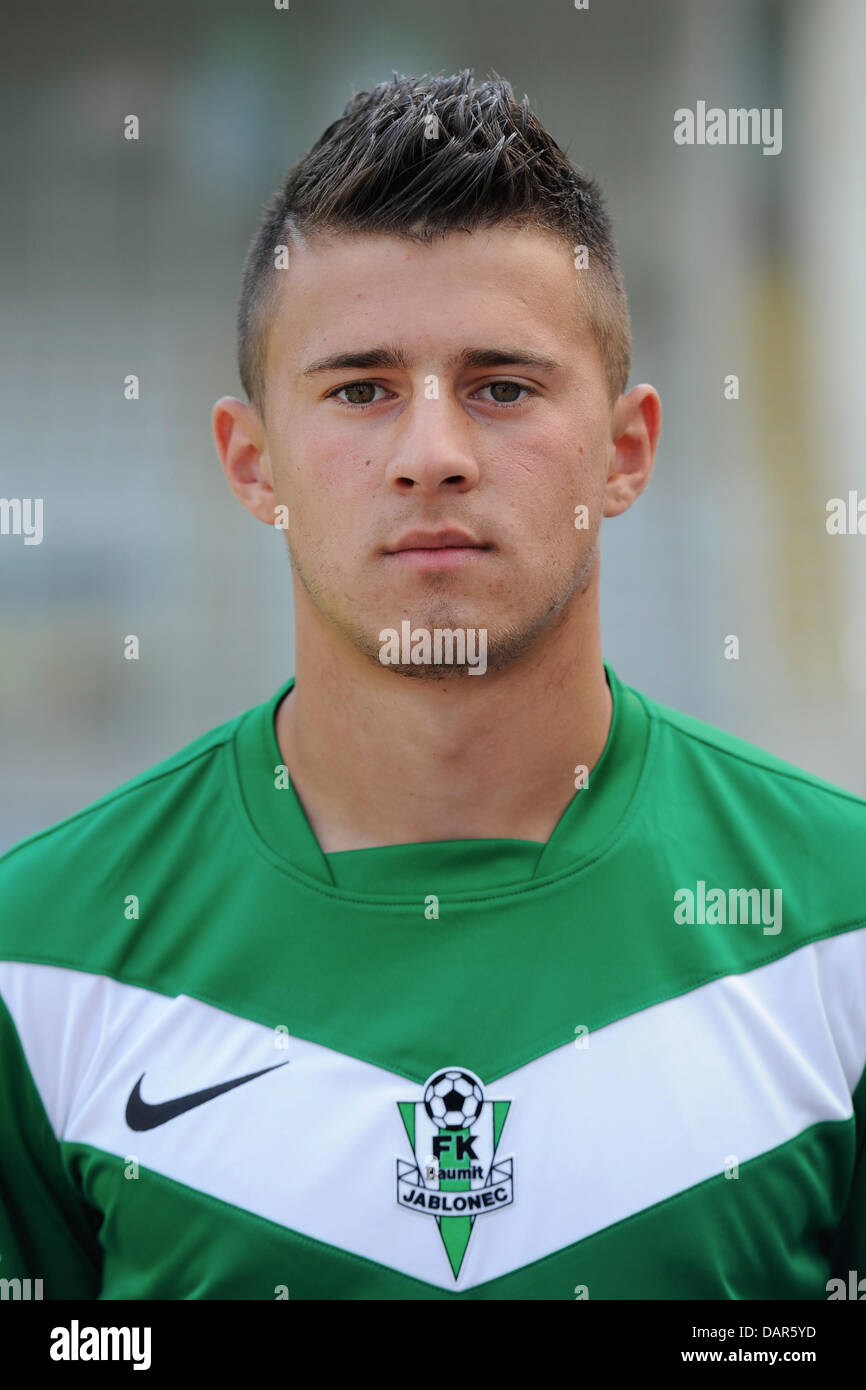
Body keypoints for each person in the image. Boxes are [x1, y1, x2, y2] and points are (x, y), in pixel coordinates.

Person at [1, 70, 863, 1301]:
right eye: (360, 390)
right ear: (252, 464)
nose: (432, 455)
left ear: (626, 451)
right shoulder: (40, 955)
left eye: (500, 388)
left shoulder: (836, 926)